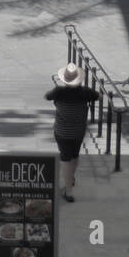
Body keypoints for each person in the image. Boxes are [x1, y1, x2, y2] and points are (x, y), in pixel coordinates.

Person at [44, 64, 100, 202]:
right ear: (79, 80)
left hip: (62, 132)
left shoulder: (59, 92)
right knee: (74, 155)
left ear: (64, 80)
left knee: (65, 158)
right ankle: (71, 178)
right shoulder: (86, 93)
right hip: (78, 132)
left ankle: (68, 191)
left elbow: (47, 96)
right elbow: (98, 96)